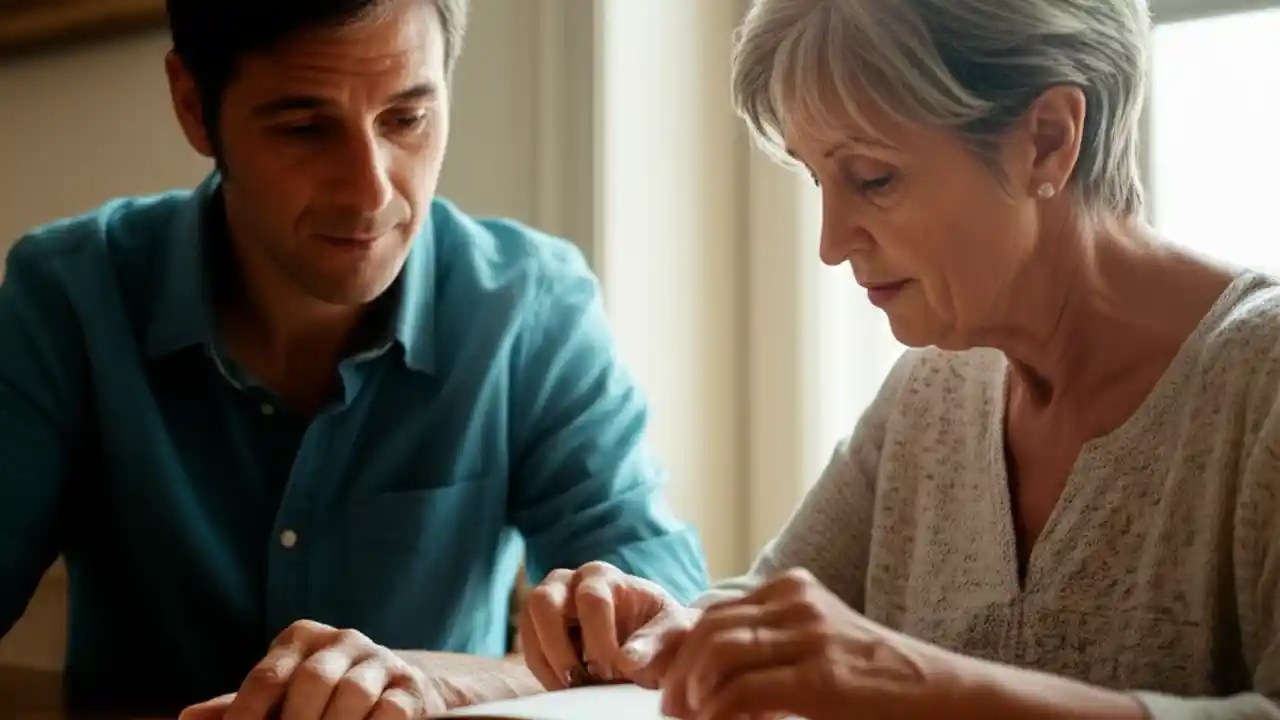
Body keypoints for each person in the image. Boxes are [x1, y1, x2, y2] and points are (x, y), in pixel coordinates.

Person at [520, 0, 1280, 718]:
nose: (830, 242)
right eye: (819, 179)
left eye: (874, 179)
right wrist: (666, 627)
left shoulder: (1261, 379)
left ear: (1047, 137)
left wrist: (919, 687)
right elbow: (776, 615)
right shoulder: (936, 388)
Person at [0, 0, 709, 717]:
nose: (371, 191)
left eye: (406, 120)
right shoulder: (69, 298)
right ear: (193, 105)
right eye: (305, 129)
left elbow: (660, 620)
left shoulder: (529, 307)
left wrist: (439, 681)